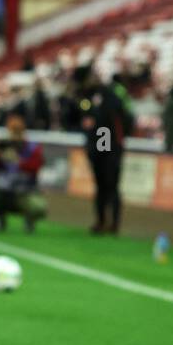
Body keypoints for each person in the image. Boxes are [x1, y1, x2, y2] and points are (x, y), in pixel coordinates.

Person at [74, 64, 133, 234]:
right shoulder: (89, 97)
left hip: (109, 150)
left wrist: (103, 149)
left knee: (111, 186)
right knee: (101, 187)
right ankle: (101, 221)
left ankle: (113, 223)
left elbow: (110, 125)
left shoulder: (110, 94)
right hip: (100, 149)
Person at [0, 111, 46, 233]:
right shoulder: (3, 146)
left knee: (38, 207)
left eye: (18, 131)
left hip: (25, 192)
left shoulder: (32, 148)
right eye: (13, 131)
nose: (15, 135)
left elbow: (36, 167)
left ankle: (29, 219)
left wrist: (18, 162)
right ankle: (0, 217)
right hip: (4, 191)